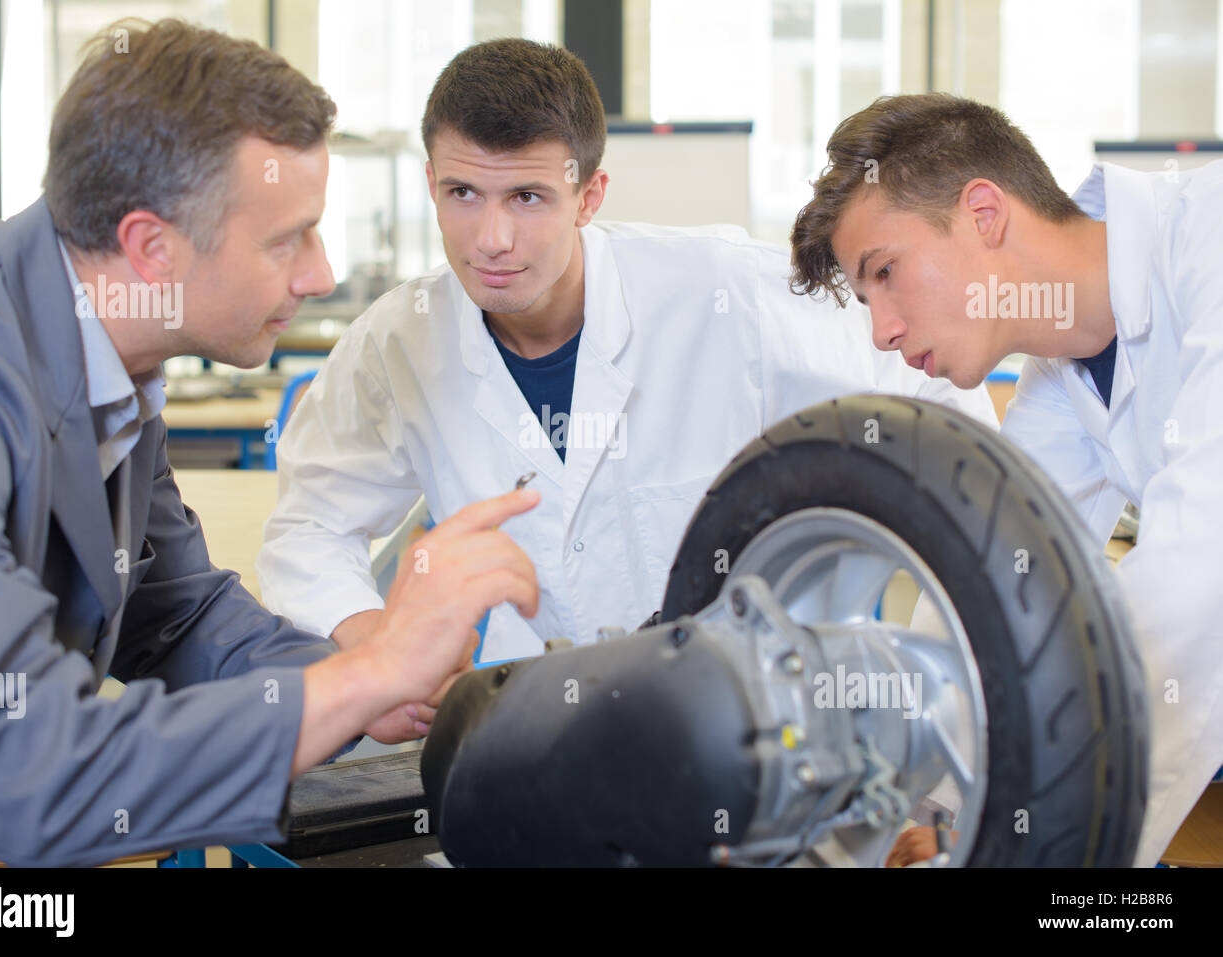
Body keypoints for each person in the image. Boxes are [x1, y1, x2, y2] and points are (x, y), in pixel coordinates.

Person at [0, 19, 538, 867]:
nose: (320, 274)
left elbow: (177, 617)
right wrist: (365, 673)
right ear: (151, 246)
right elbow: (25, 765)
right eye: (289, 237)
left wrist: (364, 688)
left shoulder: (113, 349)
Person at [257, 39, 998, 664]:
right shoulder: (400, 340)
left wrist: (902, 653)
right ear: (430, 183)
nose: (491, 240)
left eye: (527, 197)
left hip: (752, 723)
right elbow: (310, 526)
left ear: (590, 195)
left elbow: (947, 417)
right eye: (462, 194)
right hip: (532, 726)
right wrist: (375, 649)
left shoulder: (726, 292)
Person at [788, 91, 1223, 867]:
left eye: (885, 273)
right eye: (865, 298)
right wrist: (928, 801)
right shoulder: (1061, 377)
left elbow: (1198, 582)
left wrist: (1024, 842)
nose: (882, 330)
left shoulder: (1211, 236)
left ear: (984, 212)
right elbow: (985, 584)